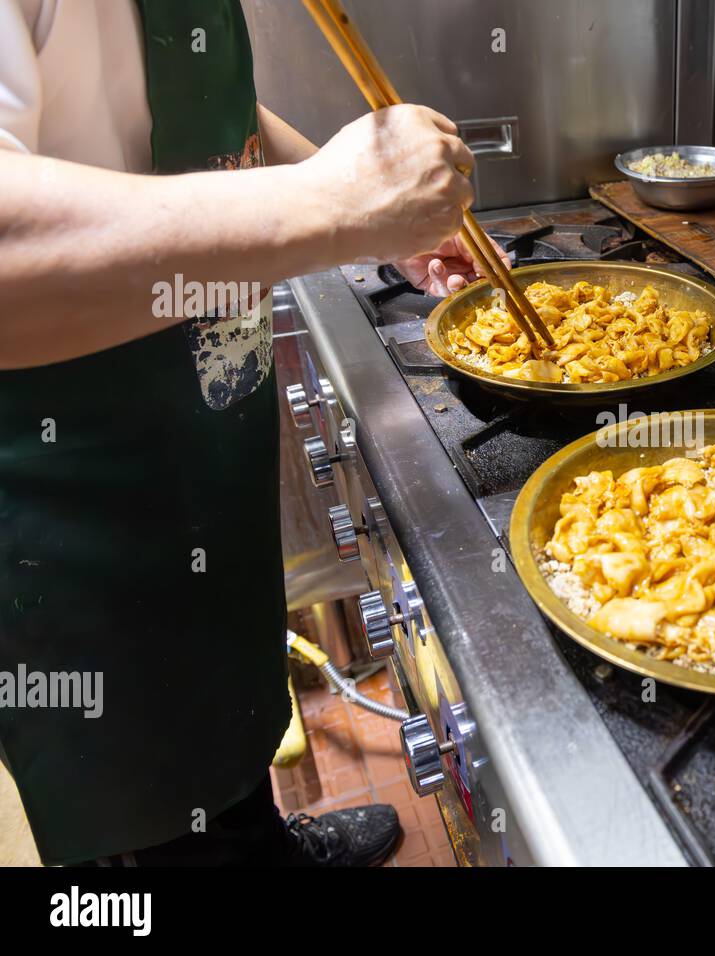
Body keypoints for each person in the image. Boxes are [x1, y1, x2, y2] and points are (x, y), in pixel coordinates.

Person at [0, 0, 504, 866]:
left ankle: (259, 843)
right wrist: (331, 202)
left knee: (226, 723)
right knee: (146, 809)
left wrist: (386, 232)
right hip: (74, 503)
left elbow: (216, 118)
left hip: (198, 444)